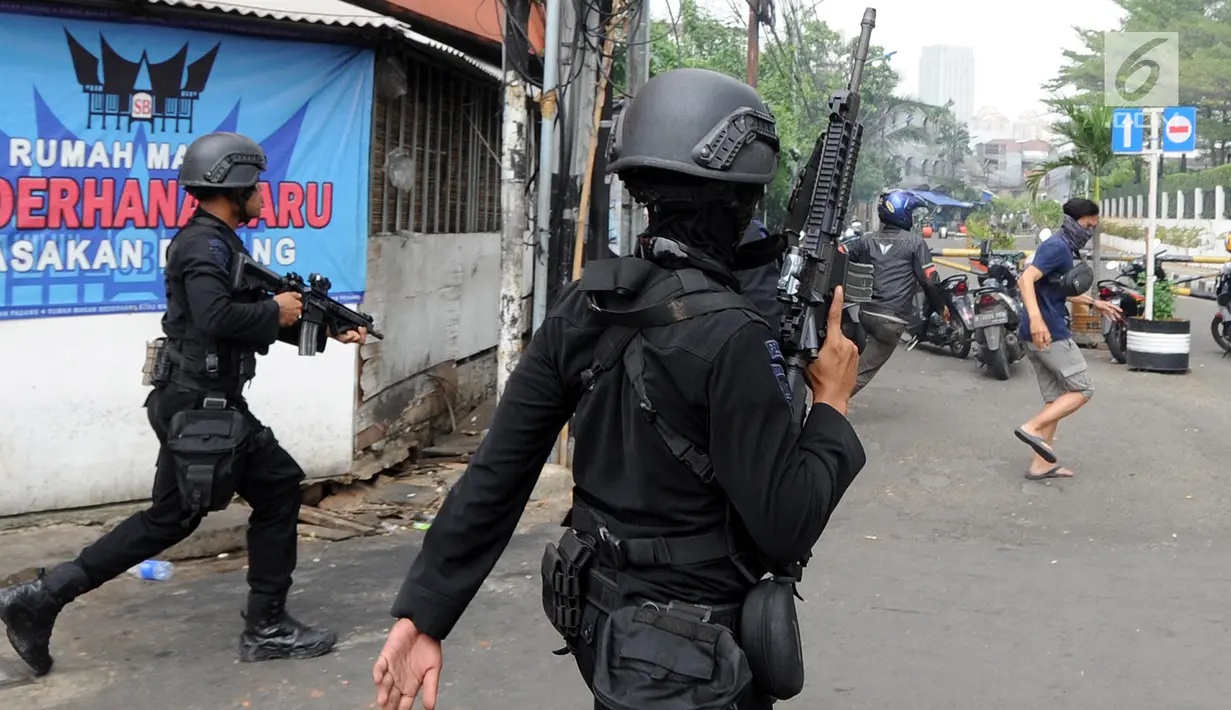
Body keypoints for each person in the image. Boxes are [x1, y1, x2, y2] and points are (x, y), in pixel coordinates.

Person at [372, 67, 867, 710]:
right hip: (693, 657)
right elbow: (787, 524)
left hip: (601, 627)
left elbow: (496, 472)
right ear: (742, 201)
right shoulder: (736, 338)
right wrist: (830, 404)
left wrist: (426, 613)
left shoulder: (587, 303)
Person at [0, 132, 364, 677]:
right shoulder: (203, 246)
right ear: (235, 185)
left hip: (197, 403)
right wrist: (277, 311)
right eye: (257, 184)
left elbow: (234, 318)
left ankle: (42, 597)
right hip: (203, 407)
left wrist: (323, 326)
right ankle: (265, 628)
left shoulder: (219, 243)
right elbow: (216, 317)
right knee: (273, 488)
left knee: (171, 518)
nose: (263, 193)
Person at [1013, 198, 1120, 480]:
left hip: (1034, 333)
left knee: (1056, 400)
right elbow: (1025, 280)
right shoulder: (1057, 247)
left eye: (1093, 227)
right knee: (1083, 389)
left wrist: (1094, 303)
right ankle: (1031, 428)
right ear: (1074, 221)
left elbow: (1054, 288)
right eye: (1087, 225)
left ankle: (1041, 464)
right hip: (1049, 332)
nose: (1089, 232)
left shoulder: (1061, 246)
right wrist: (1037, 319)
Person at [845, 189, 947, 396]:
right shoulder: (915, 242)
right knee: (860, 374)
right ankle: (828, 407)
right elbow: (930, 282)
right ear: (903, 213)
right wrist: (941, 307)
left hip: (864, 315)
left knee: (850, 361)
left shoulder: (866, 240)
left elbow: (841, 255)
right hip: (891, 321)